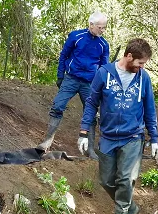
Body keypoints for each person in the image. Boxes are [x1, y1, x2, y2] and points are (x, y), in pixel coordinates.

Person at [78, 38, 158, 214]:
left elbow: (150, 109)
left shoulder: (143, 78)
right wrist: (83, 132)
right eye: (140, 63)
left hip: (133, 136)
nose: (141, 67)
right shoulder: (104, 74)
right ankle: (130, 208)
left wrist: (154, 138)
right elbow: (91, 103)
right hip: (107, 136)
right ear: (129, 56)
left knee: (124, 180)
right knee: (106, 181)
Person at [37, 12, 110, 158]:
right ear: (91, 25)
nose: (103, 30)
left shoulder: (103, 45)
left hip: (90, 83)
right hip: (71, 78)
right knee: (57, 106)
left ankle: (89, 149)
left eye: (104, 28)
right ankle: (46, 142)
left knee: (91, 114)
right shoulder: (76, 36)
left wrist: (103, 85)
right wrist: (60, 76)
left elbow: (104, 67)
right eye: (100, 27)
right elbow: (64, 55)